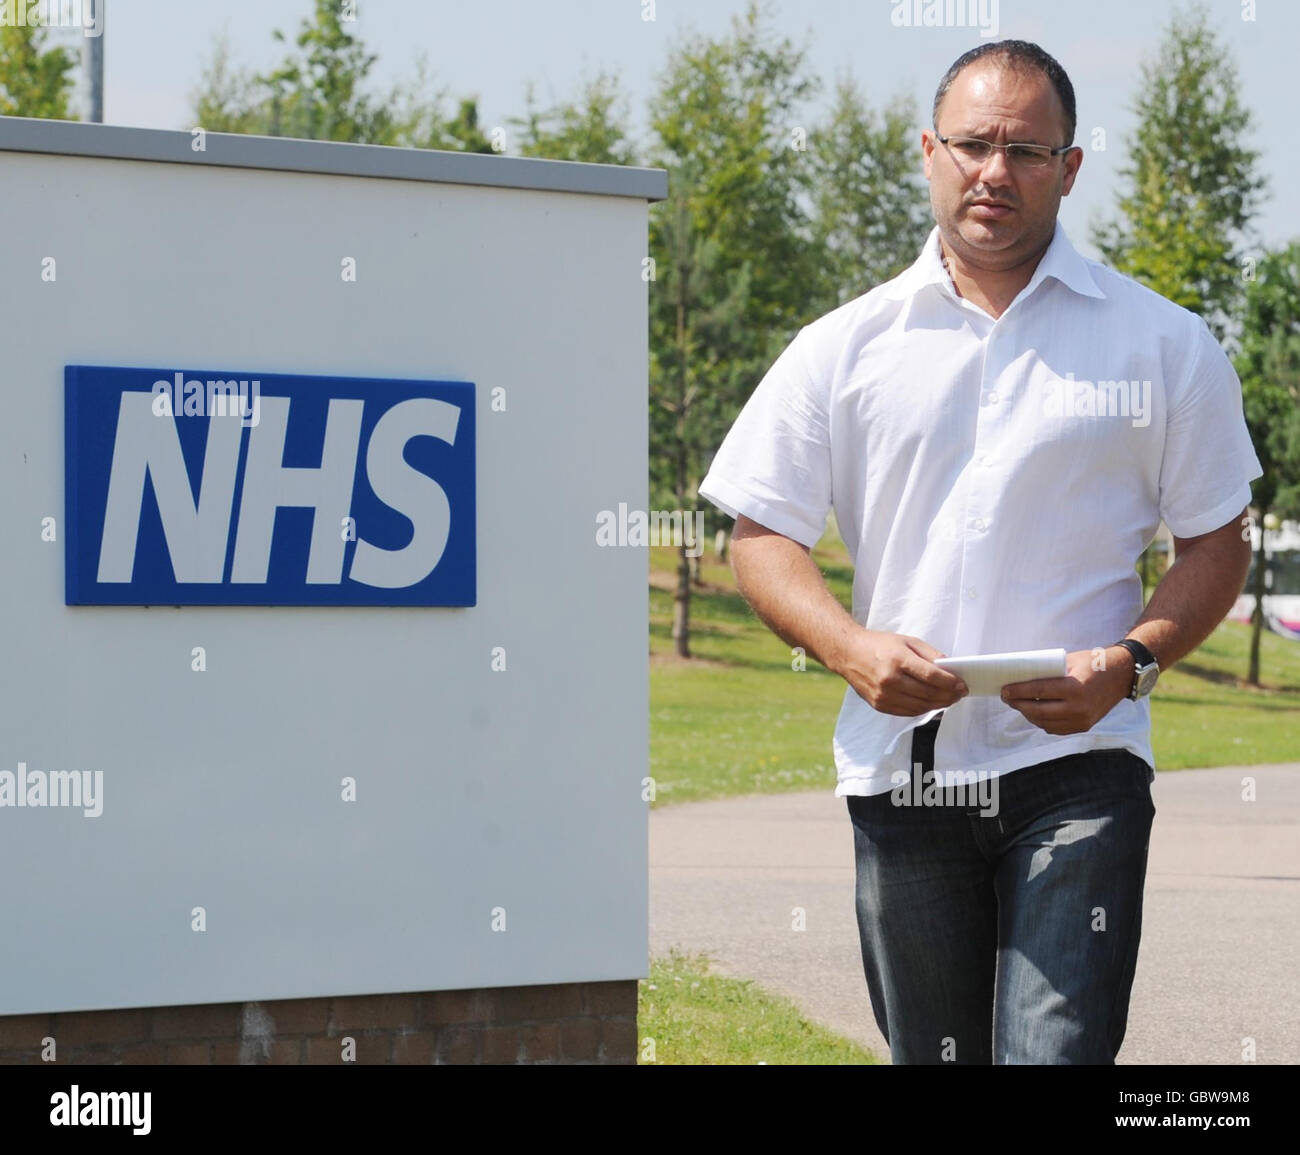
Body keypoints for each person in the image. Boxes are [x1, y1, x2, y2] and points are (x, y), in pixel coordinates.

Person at [697, 39, 1261, 1065]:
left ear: (1070, 167)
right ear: (927, 152)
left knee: (1053, 1054)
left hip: (1077, 765)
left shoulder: (1163, 345)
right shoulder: (844, 346)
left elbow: (1218, 538)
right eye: (972, 145)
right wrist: (846, 647)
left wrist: (1130, 663)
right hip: (905, 775)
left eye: (1026, 151)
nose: (994, 171)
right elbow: (760, 533)